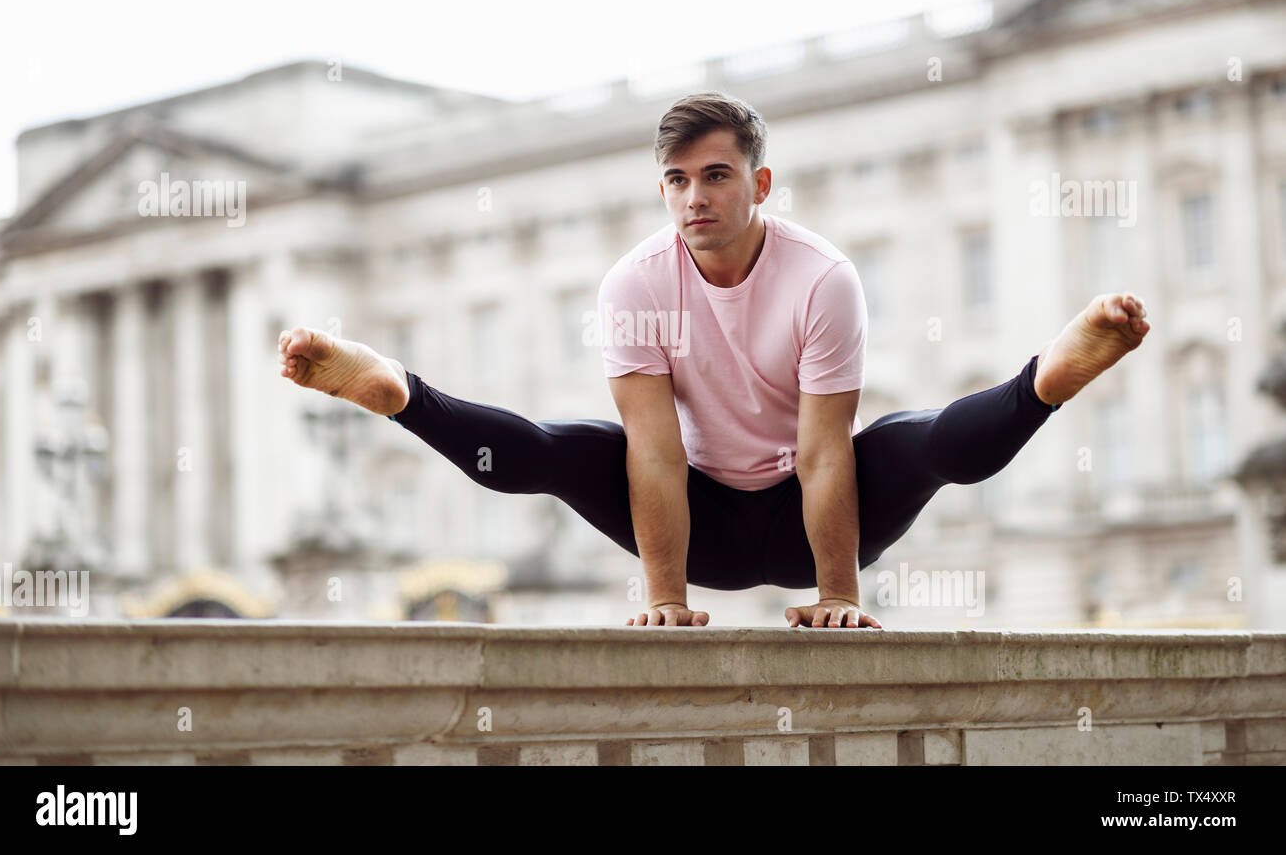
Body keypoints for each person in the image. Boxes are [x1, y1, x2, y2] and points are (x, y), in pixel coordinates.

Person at [277, 92, 1151, 630]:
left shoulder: (823, 277)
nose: (695, 197)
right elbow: (652, 451)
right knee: (563, 448)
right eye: (678, 179)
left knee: (918, 441)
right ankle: (401, 395)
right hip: (700, 524)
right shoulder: (634, 283)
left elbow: (822, 451)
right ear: (661, 187)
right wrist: (664, 595)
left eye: (717, 175)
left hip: (823, 509)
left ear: (760, 184)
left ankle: (1044, 381)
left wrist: (837, 591)